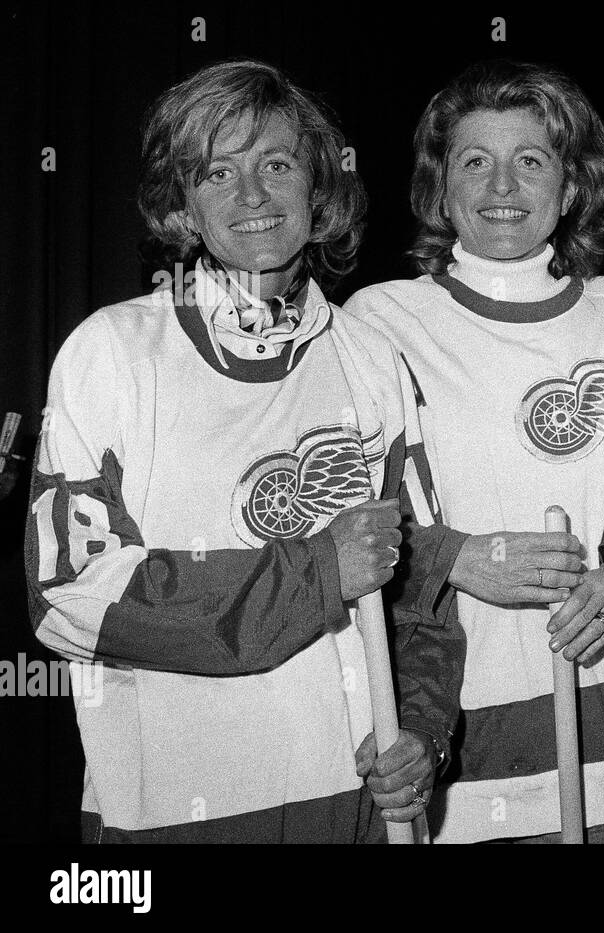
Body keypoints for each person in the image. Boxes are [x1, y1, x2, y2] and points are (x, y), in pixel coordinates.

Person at [25, 60, 461, 842]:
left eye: (276, 164)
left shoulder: (369, 358)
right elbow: (69, 594)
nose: (251, 196)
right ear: (183, 206)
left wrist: (424, 732)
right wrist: (316, 572)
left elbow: (422, 589)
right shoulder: (112, 354)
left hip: (356, 809)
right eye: (218, 171)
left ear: (318, 189)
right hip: (169, 818)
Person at [345, 60, 604, 843]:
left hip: (591, 704)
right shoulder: (379, 320)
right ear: (440, 190)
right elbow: (337, 523)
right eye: (475, 161)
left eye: (531, 160)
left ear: (571, 187)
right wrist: (456, 556)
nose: (502, 184)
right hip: (437, 722)